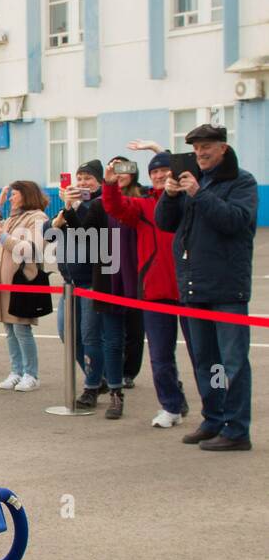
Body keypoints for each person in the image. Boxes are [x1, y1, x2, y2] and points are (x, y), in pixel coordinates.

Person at [155, 124, 257, 451]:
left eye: (206, 148)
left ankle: (237, 429)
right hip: (195, 287)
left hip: (227, 289)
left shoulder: (242, 182)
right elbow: (164, 223)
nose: (200, 154)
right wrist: (170, 196)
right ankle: (214, 418)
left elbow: (236, 221)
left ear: (222, 148)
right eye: (196, 149)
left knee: (233, 363)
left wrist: (200, 194)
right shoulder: (195, 183)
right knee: (207, 362)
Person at [103, 149, 189, 427]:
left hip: (192, 290)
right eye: (154, 172)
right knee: (160, 355)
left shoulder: (191, 200)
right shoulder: (142, 205)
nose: (160, 175)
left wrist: (159, 150)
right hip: (155, 290)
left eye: (164, 170)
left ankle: (217, 409)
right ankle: (171, 406)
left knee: (207, 357)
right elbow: (115, 208)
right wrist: (109, 183)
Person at [54, 160, 120, 414]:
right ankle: (98, 376)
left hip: (92, 280)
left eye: (88, 178)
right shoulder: (73, 203)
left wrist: (74, 205)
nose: (82, 183)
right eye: (79, 178)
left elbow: (88, 224)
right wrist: (65, 210)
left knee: (90, 335)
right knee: (66, 333)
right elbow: (52, 228)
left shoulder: (102, 203)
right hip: (69, 282)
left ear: (100, 182)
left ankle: (92, 386)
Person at [0, 182, 53, 392]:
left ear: (26, 195)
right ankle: (16, 371)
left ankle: (31, 373)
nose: (11, 198)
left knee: (22, 328)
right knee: (9, 329)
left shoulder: (37, 218)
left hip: (22, 281)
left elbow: (34, 249)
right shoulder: (12, 218)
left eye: (13, 194)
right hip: (4, 282)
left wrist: (3, 237)